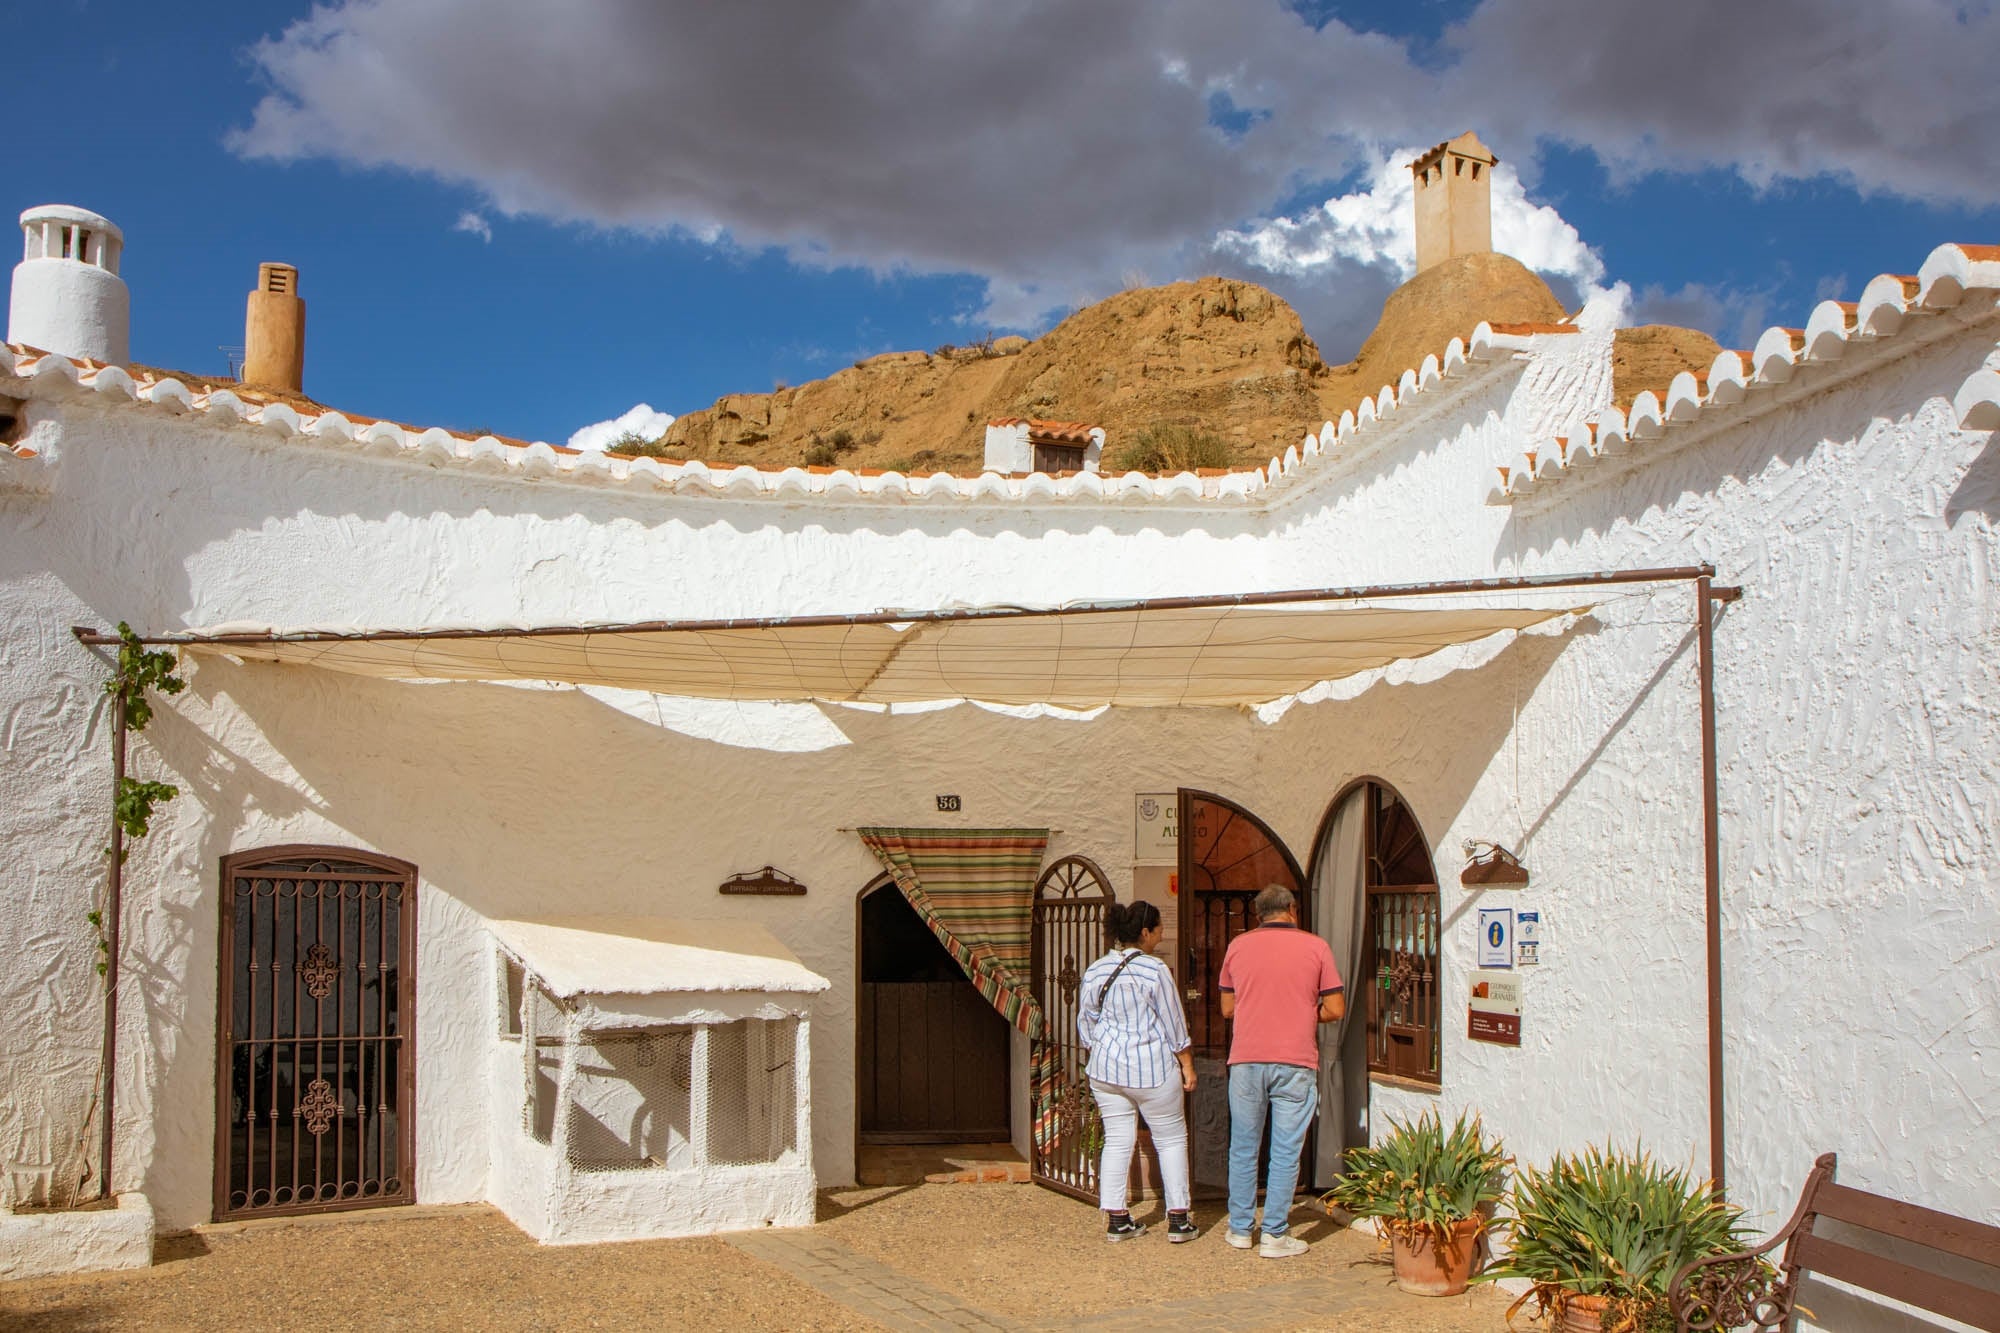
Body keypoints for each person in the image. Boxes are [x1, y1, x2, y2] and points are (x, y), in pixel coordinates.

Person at [1217, 883, 1343, 1258]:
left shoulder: (1238, 946)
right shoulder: (1316, 947)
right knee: (1286, 1150)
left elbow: (1227, 1008)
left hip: (1246, 1059)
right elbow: (1335, 1008)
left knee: (1244, 1146)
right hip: (1295, 1059)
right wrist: (1304, 1013)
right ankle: (1274, 1233)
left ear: (1258, 914)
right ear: (1291, 908)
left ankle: (1240, 1228)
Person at [1076, 899, 1197, 1242]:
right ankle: (1178, 1219)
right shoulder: (1155, 970)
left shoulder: (1097, 969)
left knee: (1117, 1140)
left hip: (1107, 1071)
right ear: (1145, 932)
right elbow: (1174, 1023)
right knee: (1171, 1139)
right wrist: (1187, 1065)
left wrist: (1103, 1049)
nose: (1161, 936)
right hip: (1152, 1069)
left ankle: (1117, 1218)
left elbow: (1086, 1021)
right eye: (1159, 930)